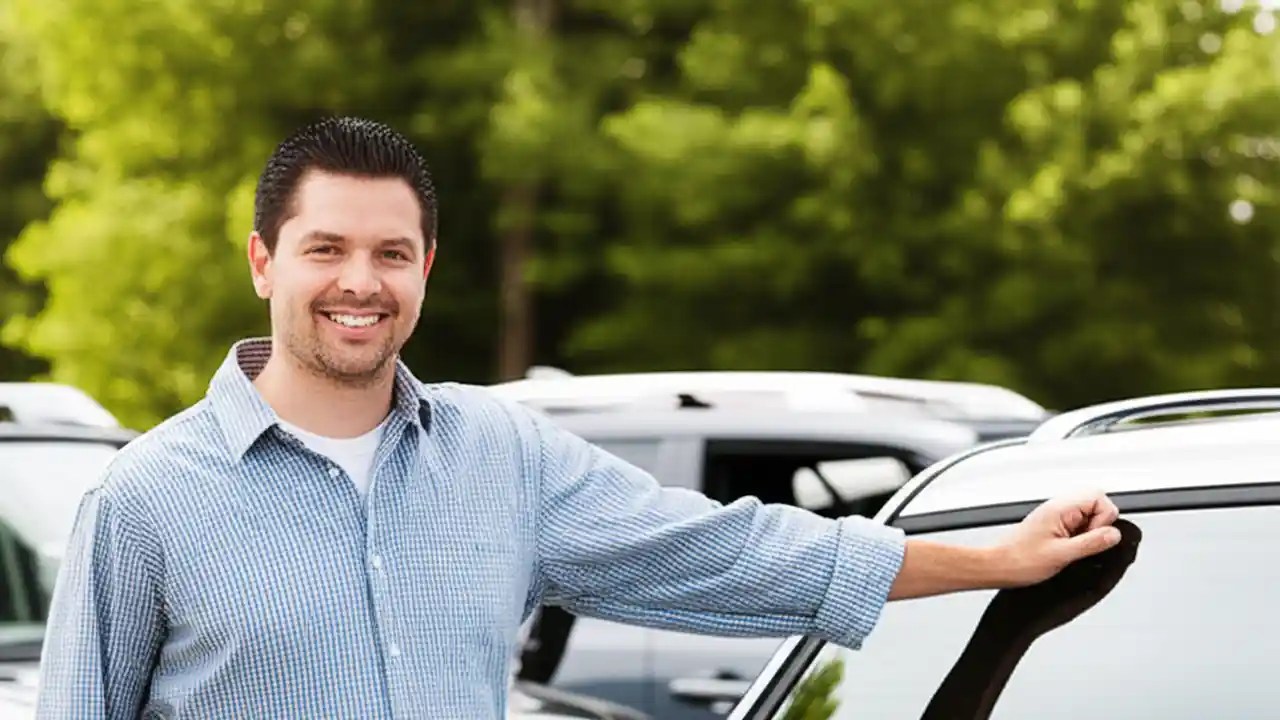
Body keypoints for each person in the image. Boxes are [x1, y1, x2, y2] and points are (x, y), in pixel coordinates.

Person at [35, 116, 1123, 720]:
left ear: (426, 269)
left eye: (390, 253)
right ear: (265, 260)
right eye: (325, 249)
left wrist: (991, 560)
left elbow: (735, 554)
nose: (357, 282)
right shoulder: (146, 501)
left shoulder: (500, 456)